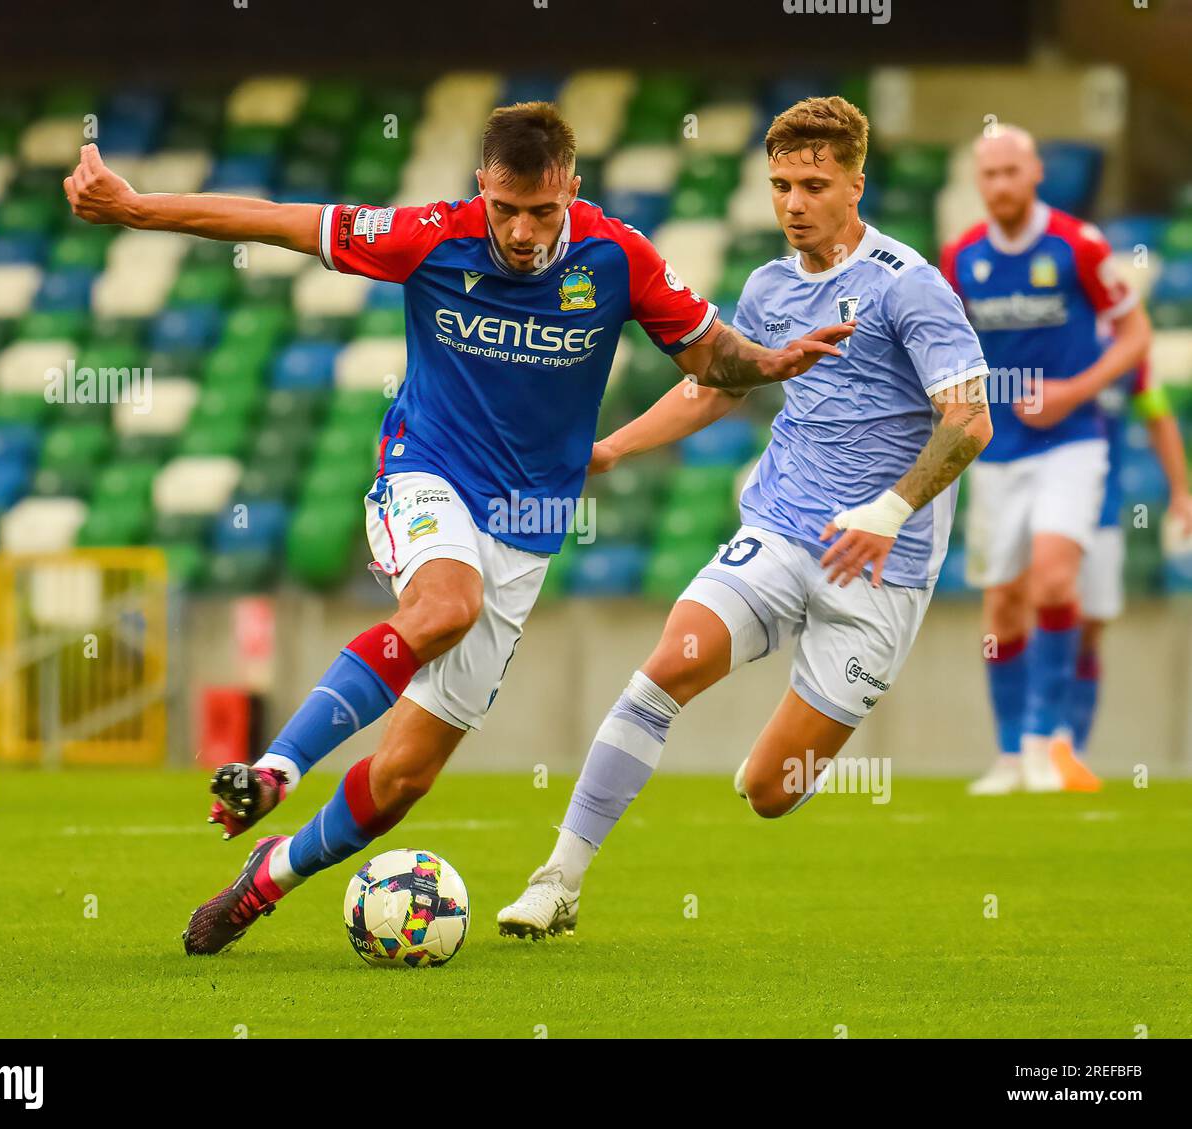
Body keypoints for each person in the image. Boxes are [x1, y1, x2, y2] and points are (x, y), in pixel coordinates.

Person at [62, 102, 853, 955]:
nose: (519, 232)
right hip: (426, 472)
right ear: (482, 187)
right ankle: (273, 770)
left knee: (403, 779)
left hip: (528, 528)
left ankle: (266, 878)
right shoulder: (430, 236)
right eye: (504, 208)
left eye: (541, 212)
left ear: (571, 193)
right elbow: (282, 221)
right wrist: (137, 207)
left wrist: (768, 363)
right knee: (445, 606)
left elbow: (708, 358)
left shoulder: (617, 257)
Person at [497, 95, 992, 939]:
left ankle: (773, 763)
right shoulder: (767, 288)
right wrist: (612, 450)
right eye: (780, 185)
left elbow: (971, 418)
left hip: (880, 568)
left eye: (812, 183)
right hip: (781, 529)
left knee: (771, 791)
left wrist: (889, 508)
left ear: (855, 185)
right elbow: (716, 388)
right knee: (660, 675)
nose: (794, 203)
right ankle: (558, 880)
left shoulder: (911, 288)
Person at [941, 125, 1151, 795]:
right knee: (1002, 605)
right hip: (995, 450)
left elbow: (1135, 331)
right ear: (979, 181)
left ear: (1035, 174)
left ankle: (1043, 742)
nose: (1000, 184)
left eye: (1011, 171)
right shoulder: (961, 258)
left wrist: (1074, 392)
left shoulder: (1078, 244)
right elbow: (943, 349)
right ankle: (1007, 755)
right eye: (989, 173)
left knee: (1055, 583)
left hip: (1073, 441)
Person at [1067, 356, 1192, 765]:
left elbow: (1158, 417)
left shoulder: (1126, 358)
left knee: (1091, 625)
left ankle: (1074, 746)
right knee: (1043, 613)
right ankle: (1032, 742)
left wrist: (1180, 491)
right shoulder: (1045, 338)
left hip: (1104, 513)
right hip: (1040, 510)